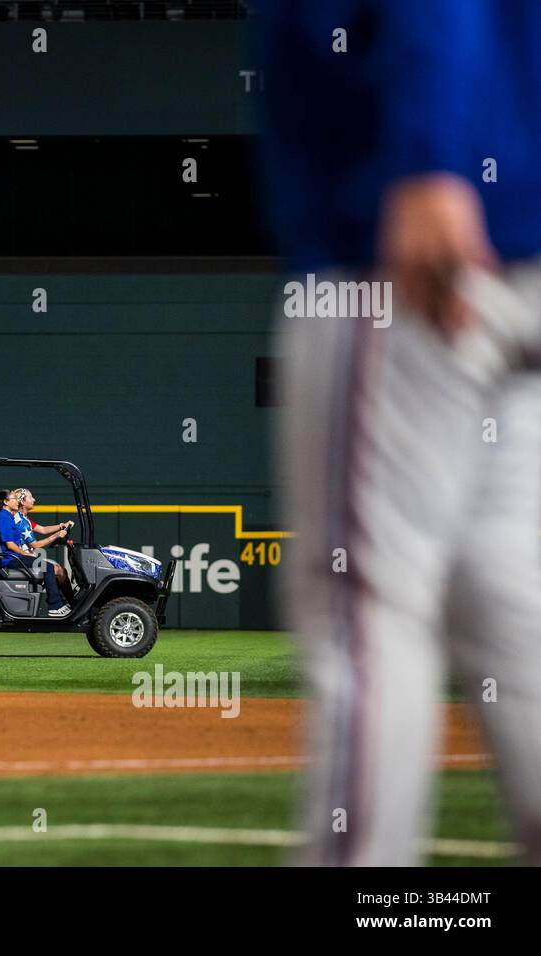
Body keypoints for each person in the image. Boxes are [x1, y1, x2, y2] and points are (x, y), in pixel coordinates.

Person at [262, 0, 541, 865]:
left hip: (404, 246)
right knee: (509, 603)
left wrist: (429, 159)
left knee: (366, 607)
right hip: (514, 248)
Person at [0, 489, 70, 618]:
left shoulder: (10, 516)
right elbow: (10, 544)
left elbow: (42, 529)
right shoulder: (4, 517)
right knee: (49, 567)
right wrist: (25, 553)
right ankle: (55, 606)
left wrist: (60, 526)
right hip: (11, 558)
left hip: (16, 556)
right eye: (14, 500)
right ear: (6, 502)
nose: (17, 502)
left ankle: (62, 603)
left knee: (51, 567)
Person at [12, 487, 74, 596]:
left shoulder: (24, 518)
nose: (34, 500)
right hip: (23, 558)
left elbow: (43, 529)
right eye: (30, 497)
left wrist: (61, 526)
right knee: (58, 570)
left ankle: (67, 603)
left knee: (59, 569)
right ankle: (63, 604)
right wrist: (56, 535)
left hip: (27, 556)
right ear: (22, 502)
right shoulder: (21, 521)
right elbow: (35, 545)